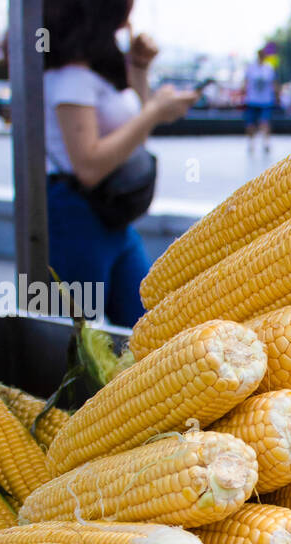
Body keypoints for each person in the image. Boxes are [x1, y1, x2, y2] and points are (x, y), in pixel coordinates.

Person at [42, 0, 195, 327]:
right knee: (75, 333)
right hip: (75, 214)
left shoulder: (94, 72)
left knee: (146, 324)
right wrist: (155, 112)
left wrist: (139, 67)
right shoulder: (71, 78)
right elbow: (89, 166)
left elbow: (134, 135)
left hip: (110, 215)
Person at [243, 49, 276, 155]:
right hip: (252, 100)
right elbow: (245, 83)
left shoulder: (269, 68)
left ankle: (266, 143)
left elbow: (273, 83)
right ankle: (251, 143)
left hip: (266, 101)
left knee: (264, 123)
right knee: (250, 125)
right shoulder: (251, 68)